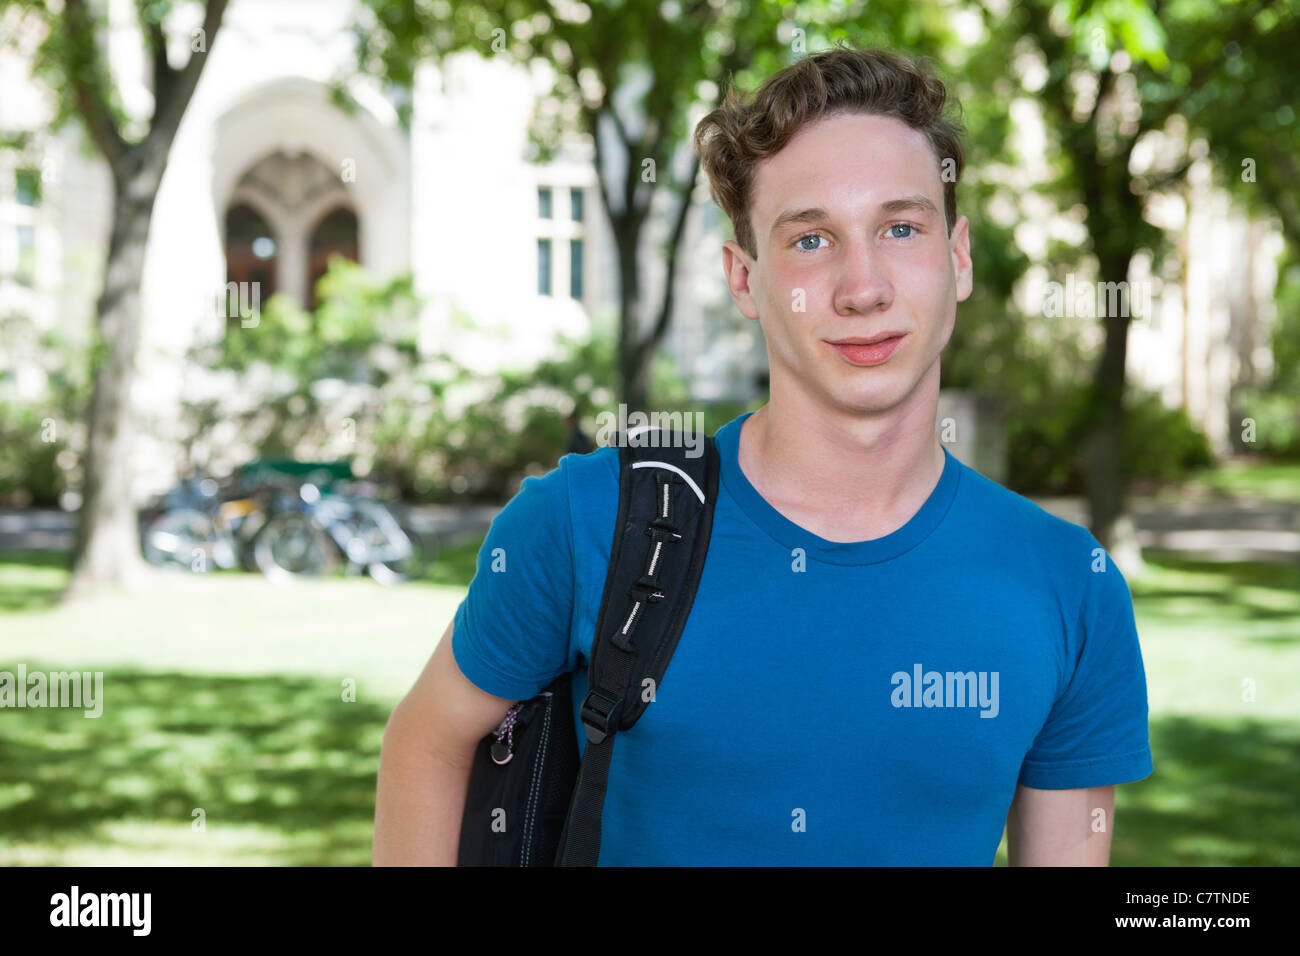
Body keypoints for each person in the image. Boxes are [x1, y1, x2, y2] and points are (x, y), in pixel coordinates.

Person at [374, 45, 1153, 866]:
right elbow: (425, 746)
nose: (864, 287)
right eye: (811, 240)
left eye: (900, 228)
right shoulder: (587, 521)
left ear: (957, 256)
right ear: (744, 281)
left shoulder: (1071, 584)